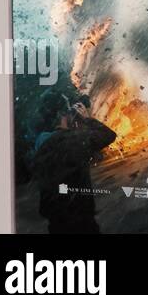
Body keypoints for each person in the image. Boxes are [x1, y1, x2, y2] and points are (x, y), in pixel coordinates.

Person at [31, 93, 117, 234]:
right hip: (80, 221)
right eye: (70, 111)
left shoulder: (42, 146)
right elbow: (108, 135)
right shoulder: (75, 141)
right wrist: (87, 118)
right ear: (62, 114)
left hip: (56, 223)